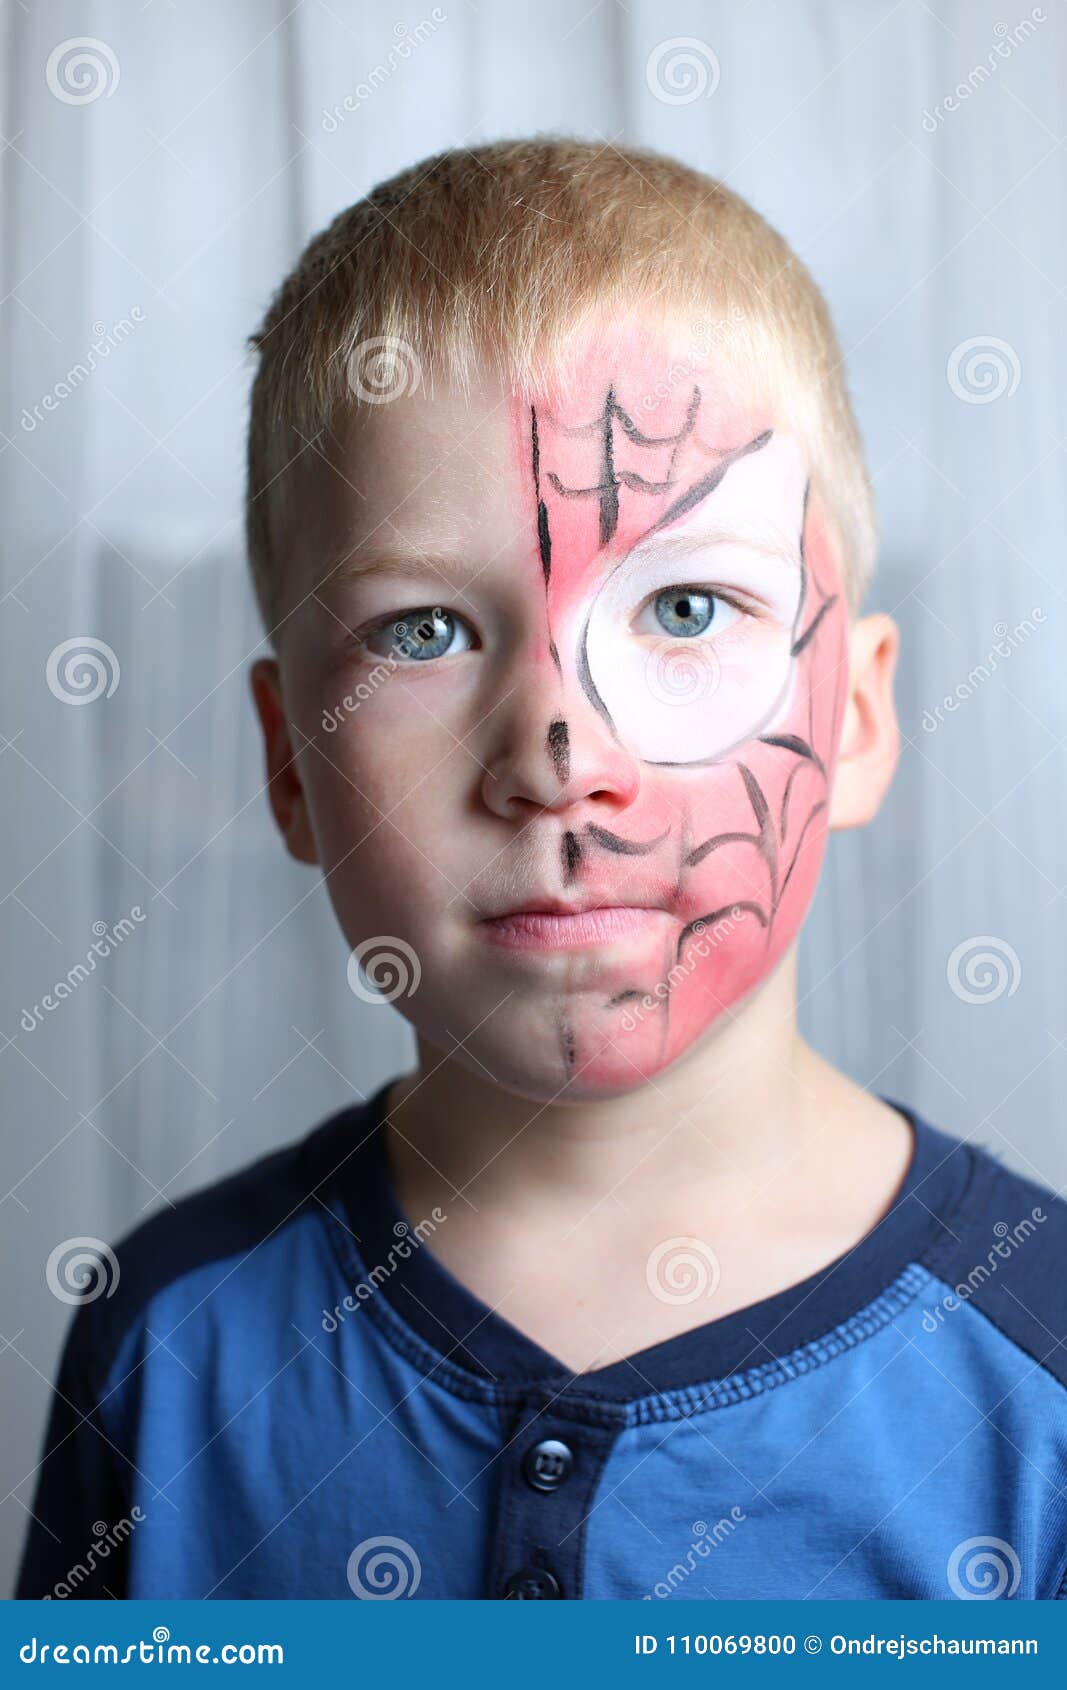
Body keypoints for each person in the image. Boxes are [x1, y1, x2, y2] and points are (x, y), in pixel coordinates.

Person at [17, 138, 1067, 1602]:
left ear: (860, 719)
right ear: (288, 761)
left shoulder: (1040, 1369)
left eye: (686, 607)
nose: (559, 757)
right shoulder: (166, 1344)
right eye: (425, 632)